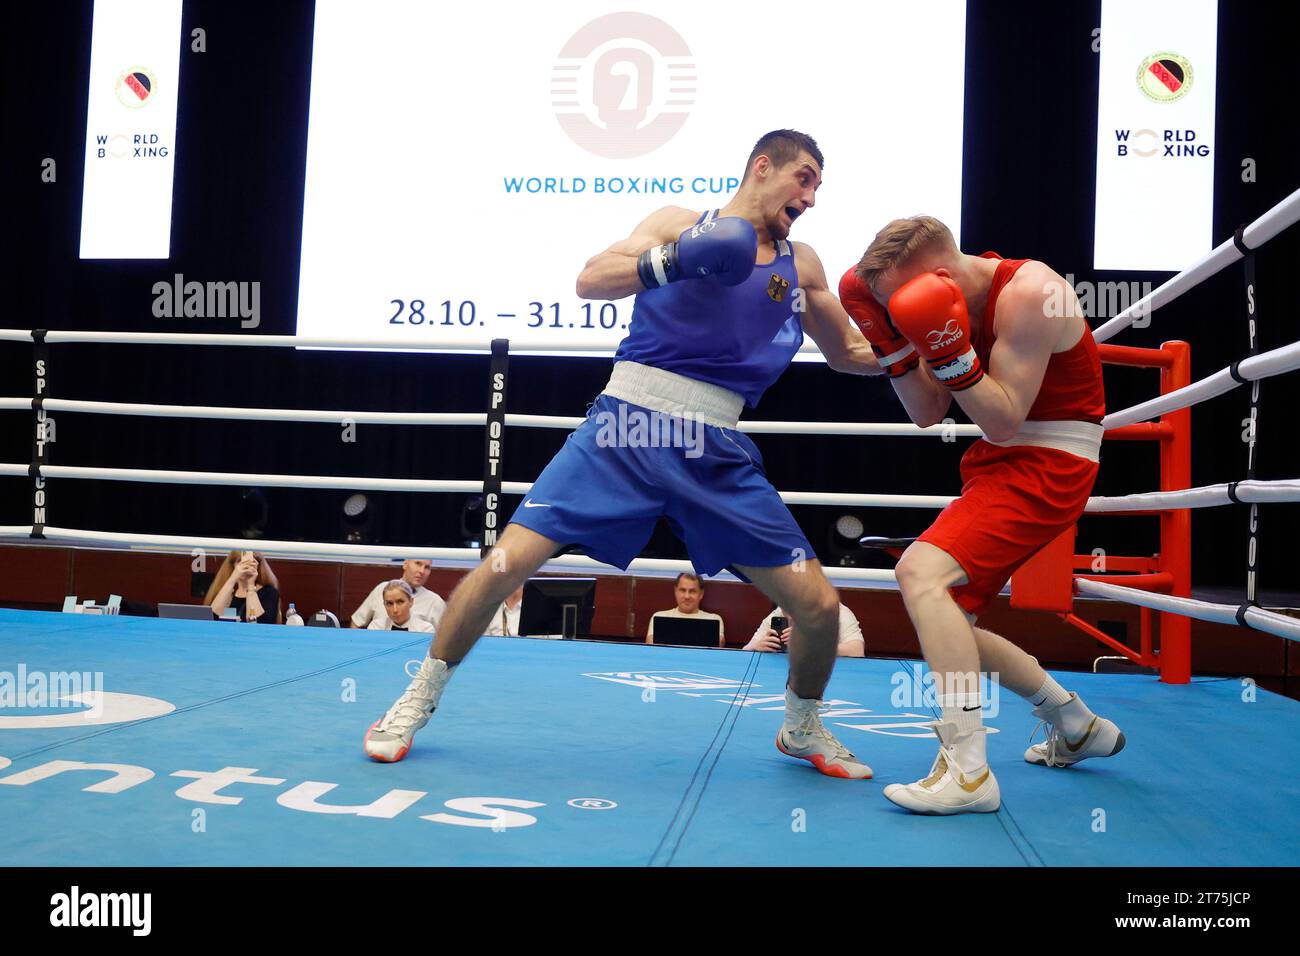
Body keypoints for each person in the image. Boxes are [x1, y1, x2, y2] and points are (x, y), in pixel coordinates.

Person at [364, 130, 883, 779]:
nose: (810, 196)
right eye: (804, 178)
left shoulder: (800, 266)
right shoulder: (678, 222)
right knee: (505, 564)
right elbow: (589, 279)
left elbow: (850, 353)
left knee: (818, 607)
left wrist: (925, 346)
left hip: (715, 446)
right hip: (624, 429)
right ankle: (418, 696)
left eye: (818, 186)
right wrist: (676, 259)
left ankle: (802, 726)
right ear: (761, 167)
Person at [839, 215, 1125, 815]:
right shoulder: (932, 302)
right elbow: (924, 410)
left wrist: (949, 352)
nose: (899, 318)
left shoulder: (1030, 292)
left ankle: (969, 772)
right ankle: (1074, 723)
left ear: (939, 276)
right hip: (998, 461)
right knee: (951, 628)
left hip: (1052, 456)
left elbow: (1002, 418)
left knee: (921, 574)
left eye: (902, 309)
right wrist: (895, 347)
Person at [351, 559, 445, 631]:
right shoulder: (382, 589)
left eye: (427, 567)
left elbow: (447, 638)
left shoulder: (435, 601)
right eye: (418, 563)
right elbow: (356, 622)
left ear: (411, 602)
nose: (422, 571)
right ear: (405, 564)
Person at [746, 603, 864, 657]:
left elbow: (856, 650)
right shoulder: (777, 615)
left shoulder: (837, 613)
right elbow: (745, 649)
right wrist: (756, 646)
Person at [647, 572, 725, 647]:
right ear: (675, 591)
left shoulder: (713, 619)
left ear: (701, 594)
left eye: (692, 591)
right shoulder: (659, 616)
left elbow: (718, 646)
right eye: (682, 590)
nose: (687, 596)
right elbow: (651, 646)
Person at [206, 550, 281, 624]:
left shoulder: (269, 592)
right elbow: (211, 618)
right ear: (233, 565)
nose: (245, 567)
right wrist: (232, 579)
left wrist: (251, 585)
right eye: (241, 562)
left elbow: (259, 623)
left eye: (250, 562)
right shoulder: (225, 590)